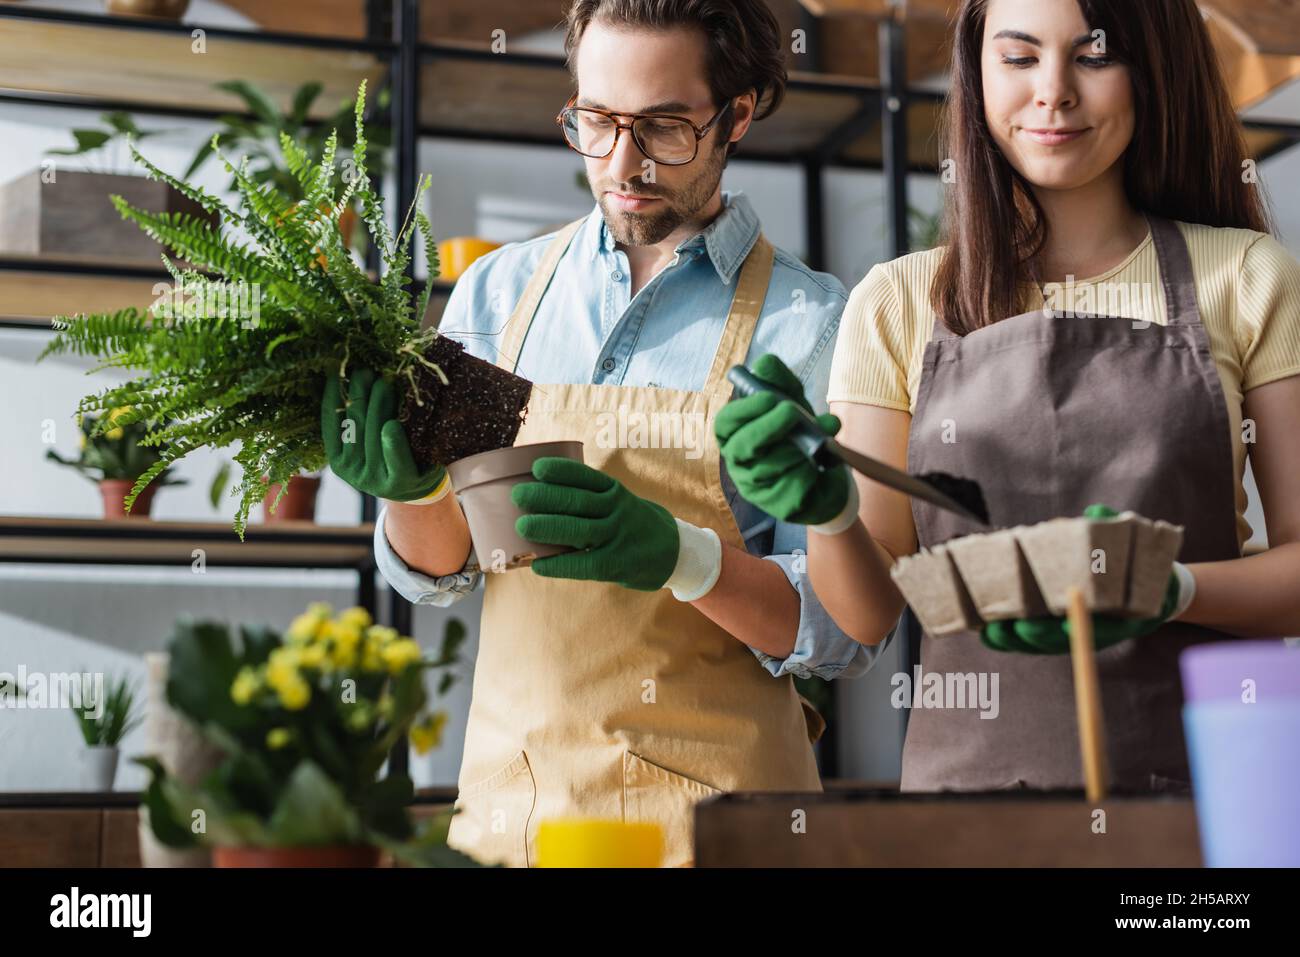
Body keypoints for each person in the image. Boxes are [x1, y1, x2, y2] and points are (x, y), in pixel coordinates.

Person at [323, 0, 878, 867]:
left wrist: (684, 556)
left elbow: (845, 633)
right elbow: (449, 569)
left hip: (724, 824)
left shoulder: (812, 321)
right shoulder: (494, 298)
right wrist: (412, 495)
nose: (623, 162)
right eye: (596, 120)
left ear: (735, 114)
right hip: (516, 821)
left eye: (663, 128)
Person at [717, 0, 1300, 792]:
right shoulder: (897, 301)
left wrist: (1171, 589)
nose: (1053, 91)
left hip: (1203, 798)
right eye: (1019, 58)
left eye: (1093, 56)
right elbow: (866, 614)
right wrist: (830, 514)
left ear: (1153, 69)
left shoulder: (1246, 276)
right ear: (976, 72)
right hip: (968, 805)